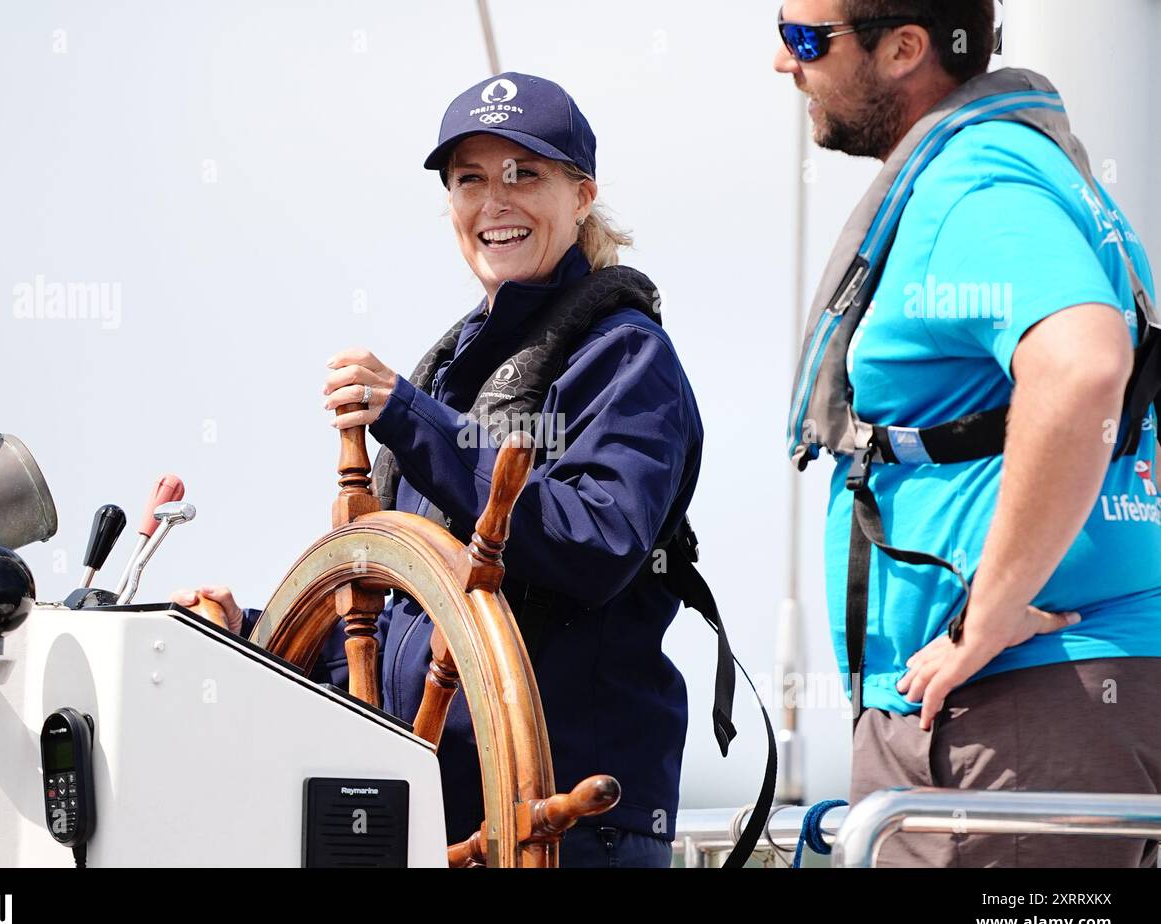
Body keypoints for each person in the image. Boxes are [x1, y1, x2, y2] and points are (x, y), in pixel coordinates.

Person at [175, 72, 704, 867]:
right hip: (438, 820)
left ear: (583, 194)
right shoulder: (457, 379)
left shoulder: (627, 359)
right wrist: (249, 633)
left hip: (571, 828)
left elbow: (596, 543)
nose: (496, 200)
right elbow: (394, 619)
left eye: (525, 174)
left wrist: (412, 418)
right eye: (470, 179)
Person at [779, 0, 1161, 866]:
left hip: (1015, 710)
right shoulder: (1045, 174)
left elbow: (1084, 365)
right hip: (1060, 696)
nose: (783, 63)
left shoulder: (974, 183)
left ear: (906, 48)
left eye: (805, 39)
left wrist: (982, 616)